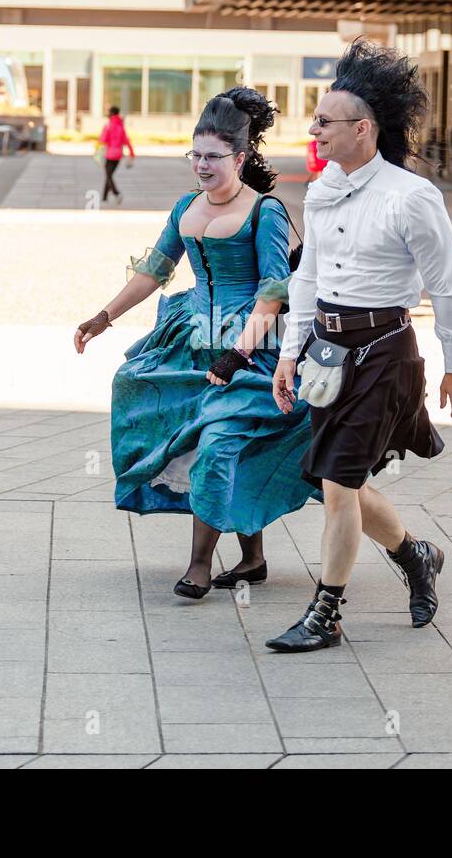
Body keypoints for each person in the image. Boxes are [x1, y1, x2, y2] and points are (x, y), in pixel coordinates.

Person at [266, 38, 452, 653]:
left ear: (364, 129)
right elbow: (307, 279)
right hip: (326, 356)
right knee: (343, 482)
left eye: (325, 122)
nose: (314, 129)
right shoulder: (327, 185)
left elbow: (449, 286)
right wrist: (287, 353)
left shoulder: (412, 197)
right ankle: (417, 554)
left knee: (336, 485)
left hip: (384, 354)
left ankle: (325, 615)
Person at [75, 86, 319, 600]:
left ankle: (199, 565)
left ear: (241, 156)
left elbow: (274, 291)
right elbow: (155, 271)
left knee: (218, 440)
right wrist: (103, 317)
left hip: (251, 341)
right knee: (149, 395)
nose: (201, 166)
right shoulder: (186, 205)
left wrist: (239, 354)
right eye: (195, 155)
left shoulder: (265, 211)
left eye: (212, 157)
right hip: (192, 335)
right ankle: (252, 559)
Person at [99, 106, 136, 205]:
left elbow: (102, 140)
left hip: (110, 154)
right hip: (118, 155)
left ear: (111, 113)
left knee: (108, 175)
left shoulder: (108, 126)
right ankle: (104, 198)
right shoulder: (121, 126)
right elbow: (126, 140)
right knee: (109, 175)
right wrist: (132, 152)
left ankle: (116, 193)